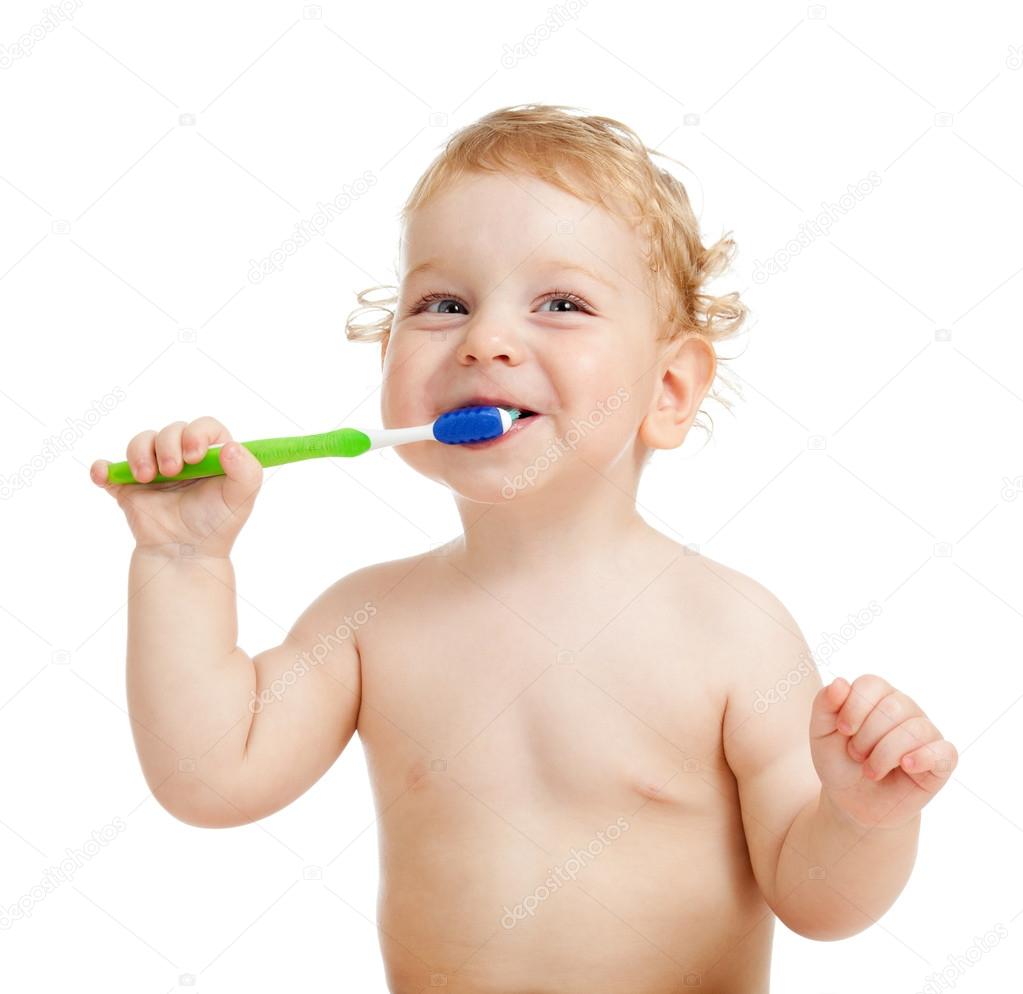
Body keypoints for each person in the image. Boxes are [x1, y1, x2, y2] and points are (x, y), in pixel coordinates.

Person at [90, 103, 957, 993]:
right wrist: (182, 564)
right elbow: (209, 780)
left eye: (561, 304)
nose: (485, 341)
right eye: (443, 304)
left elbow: (817, 903)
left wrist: (859, 818)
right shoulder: (368, 620)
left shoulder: (730, 631)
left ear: (667, 388)